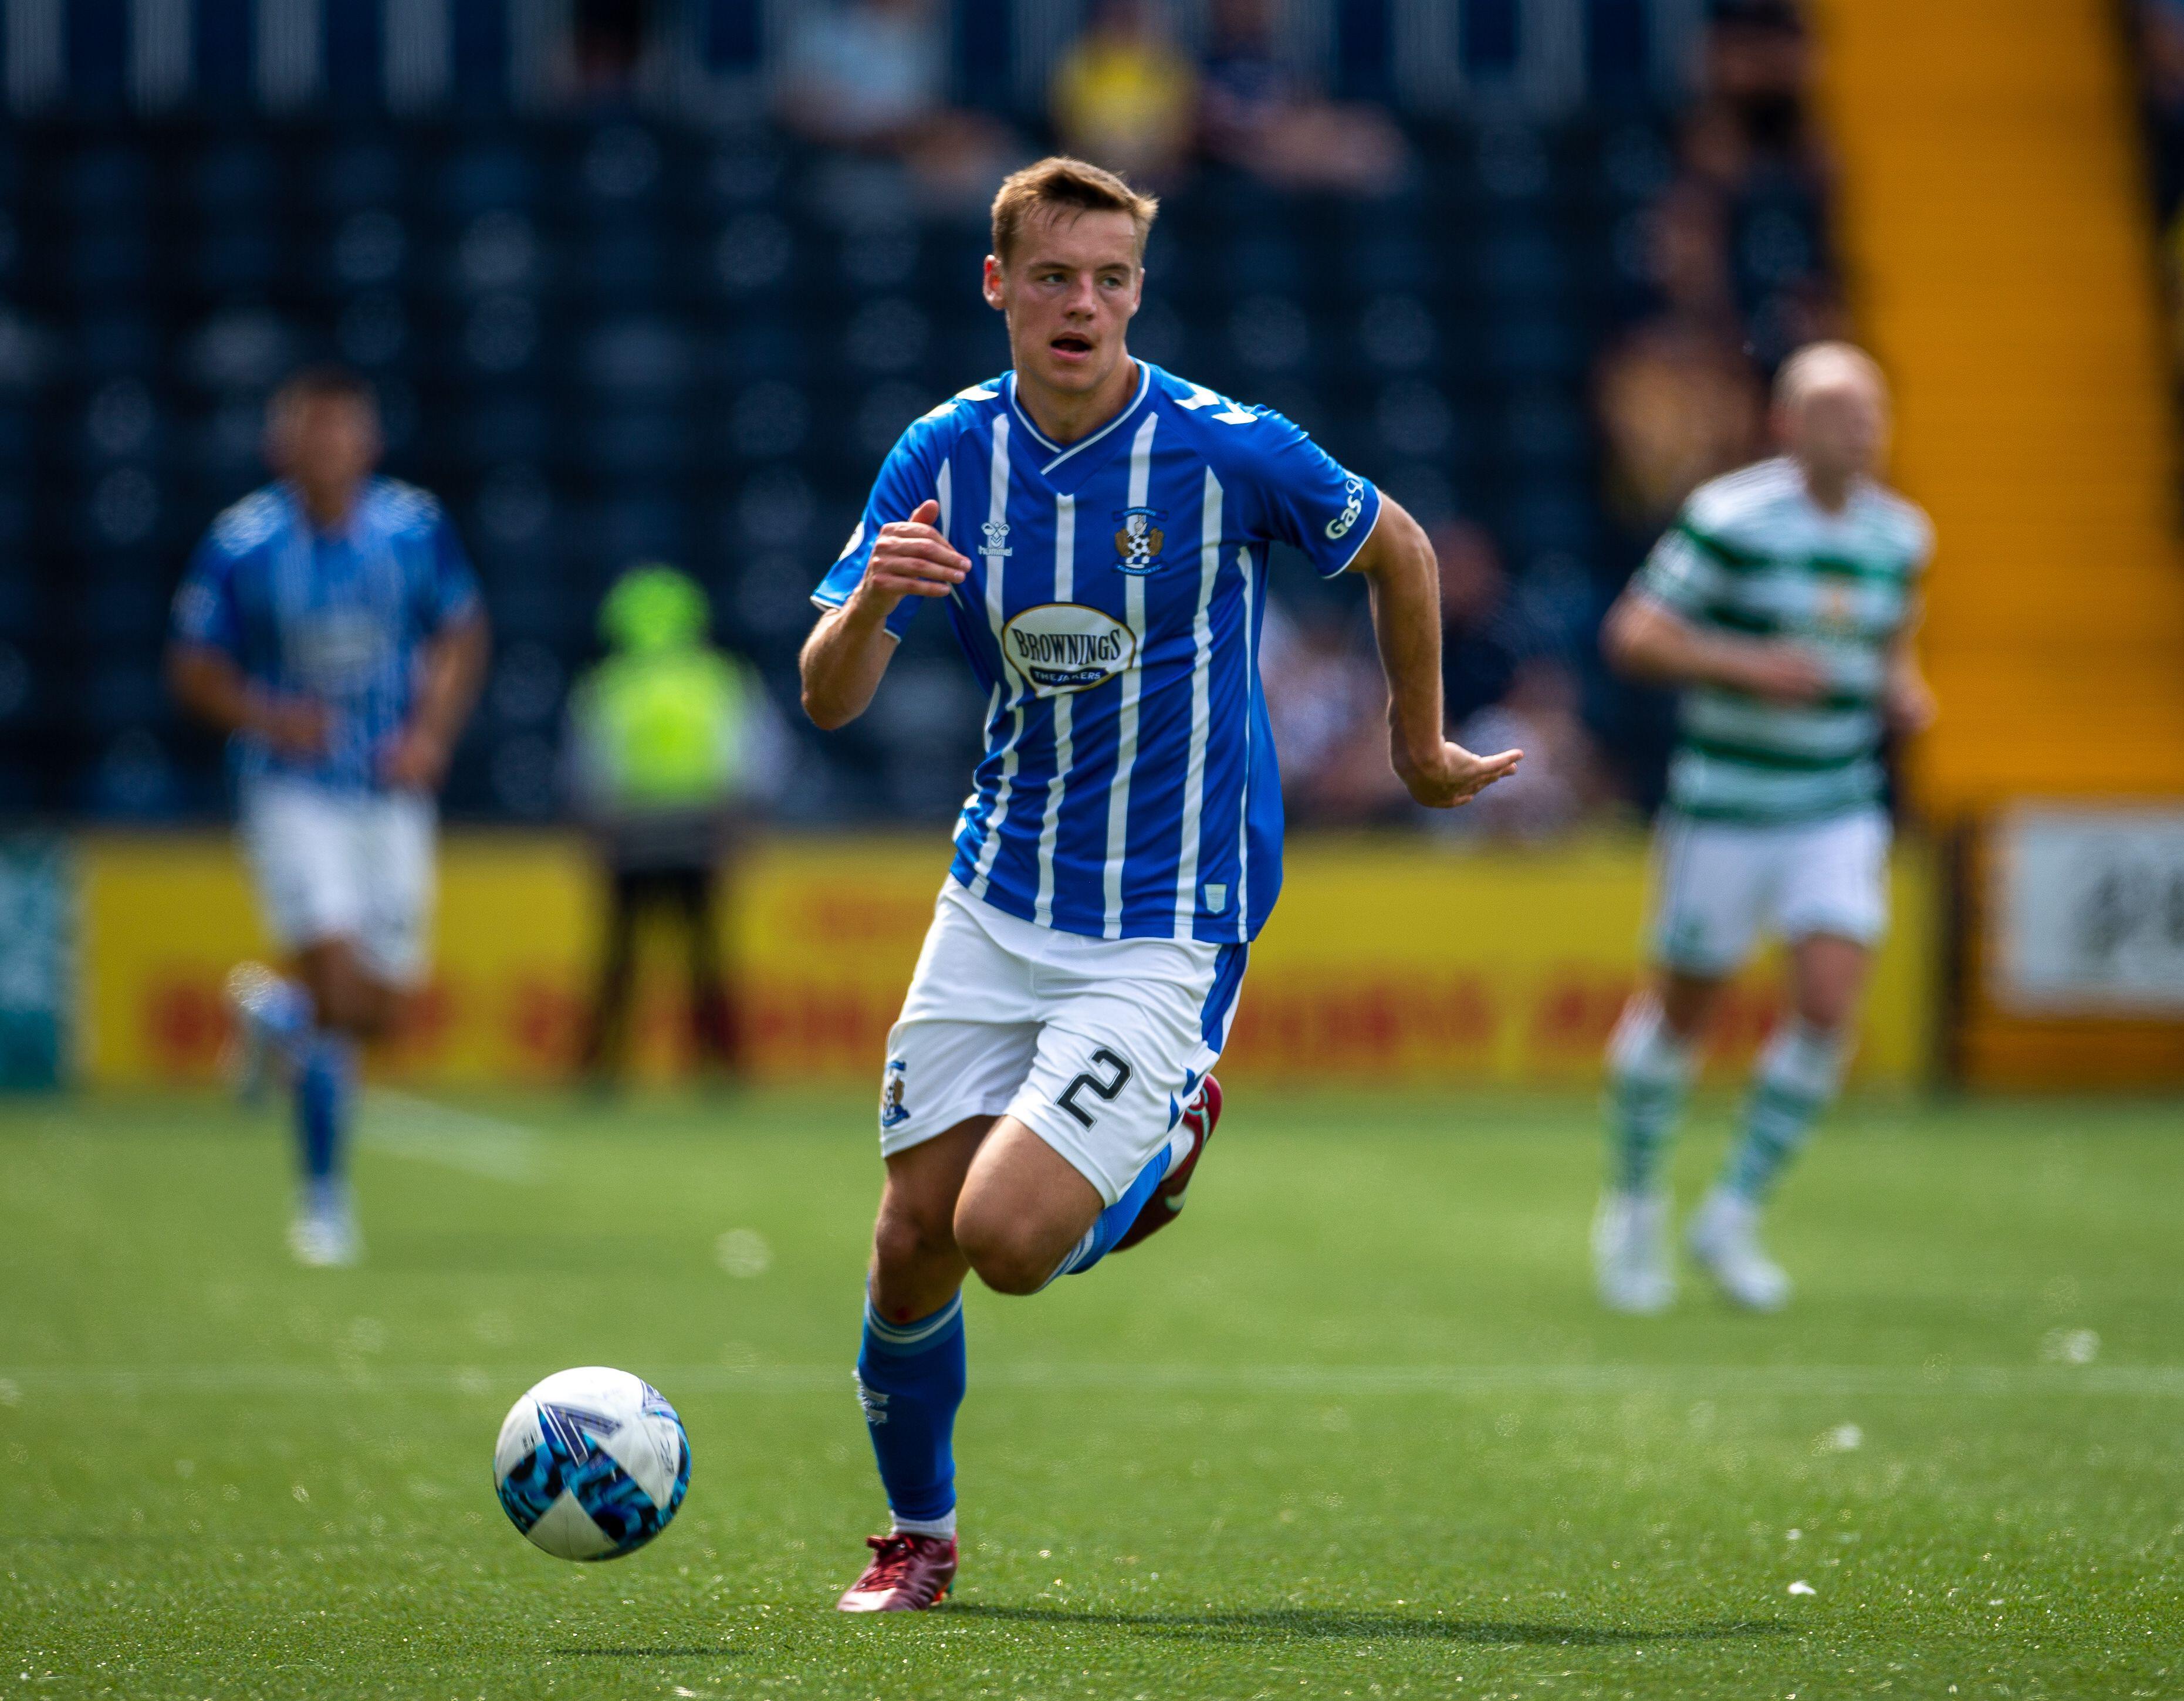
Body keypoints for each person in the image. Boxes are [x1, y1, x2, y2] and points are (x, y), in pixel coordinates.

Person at [799, 155, 1522, 1611]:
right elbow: (826, 700)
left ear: (1139, 289)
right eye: (1054, 277)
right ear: (996, 285)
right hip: (994, 896)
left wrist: (1416, 745)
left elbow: (1402, 550)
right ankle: (917, 1538)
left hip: (1163, 923)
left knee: (1005, 1242)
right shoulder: (940, 454)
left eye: (1110, 279)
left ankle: (1169, 1119)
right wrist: (874, 596)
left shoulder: (1220, 447)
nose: (1083, 305)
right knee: (903, 1244)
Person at [1591, 342, 1933, 1314]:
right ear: (1787, 425)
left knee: (1828, 1005)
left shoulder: (1900, 535)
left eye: (1870, 409)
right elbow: (1635, 634)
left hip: (1835, 803)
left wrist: (1906, 695)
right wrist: (1749, 665)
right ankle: (1633, 1205)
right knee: (1681, 1012)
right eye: (1835, 410)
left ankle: (1732, 1212)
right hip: (1726, 808)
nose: (1859, 427)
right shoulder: (1730, 518)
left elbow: (1888, 649)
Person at [167, 366, 487, 1267]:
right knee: (342, 987)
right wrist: (271, 717)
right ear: (283, 446)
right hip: (293, 789)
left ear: (368, 441)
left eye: (343, 431)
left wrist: (428, 733)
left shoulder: (413, 529)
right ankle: (322, 1203)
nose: (328, 449)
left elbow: (462, 631)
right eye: (312, 433)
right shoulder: (244, 544)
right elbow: (192, 664)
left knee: (377, 1013)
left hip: (391, 792)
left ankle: (273, 1014)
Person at [566, 563, 785, 1085]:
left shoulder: (608, 684)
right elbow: (756, 758)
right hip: (701, 835)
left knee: (618, 965)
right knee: (707, 961)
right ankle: (723, 1070)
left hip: (630, 838)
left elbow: (589, 767)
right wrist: (742, 828)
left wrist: (593, 833)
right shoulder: (720, 678)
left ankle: (598, 1070)